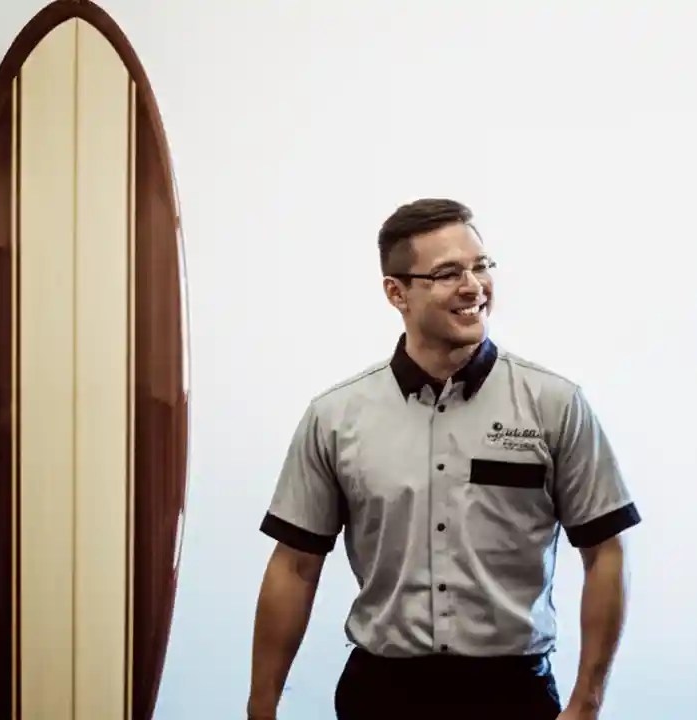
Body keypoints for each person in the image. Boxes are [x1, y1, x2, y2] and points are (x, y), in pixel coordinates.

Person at [246, 198, 640, 720]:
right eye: (448, 272)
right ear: (396, 292)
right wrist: (261, 706)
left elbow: (605, 551)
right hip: (382, 694)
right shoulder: (335, 417)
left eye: (481, 266)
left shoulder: (554, 405)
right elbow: (295, 567)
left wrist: (586, 702)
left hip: (512, 694)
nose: (473, 286)